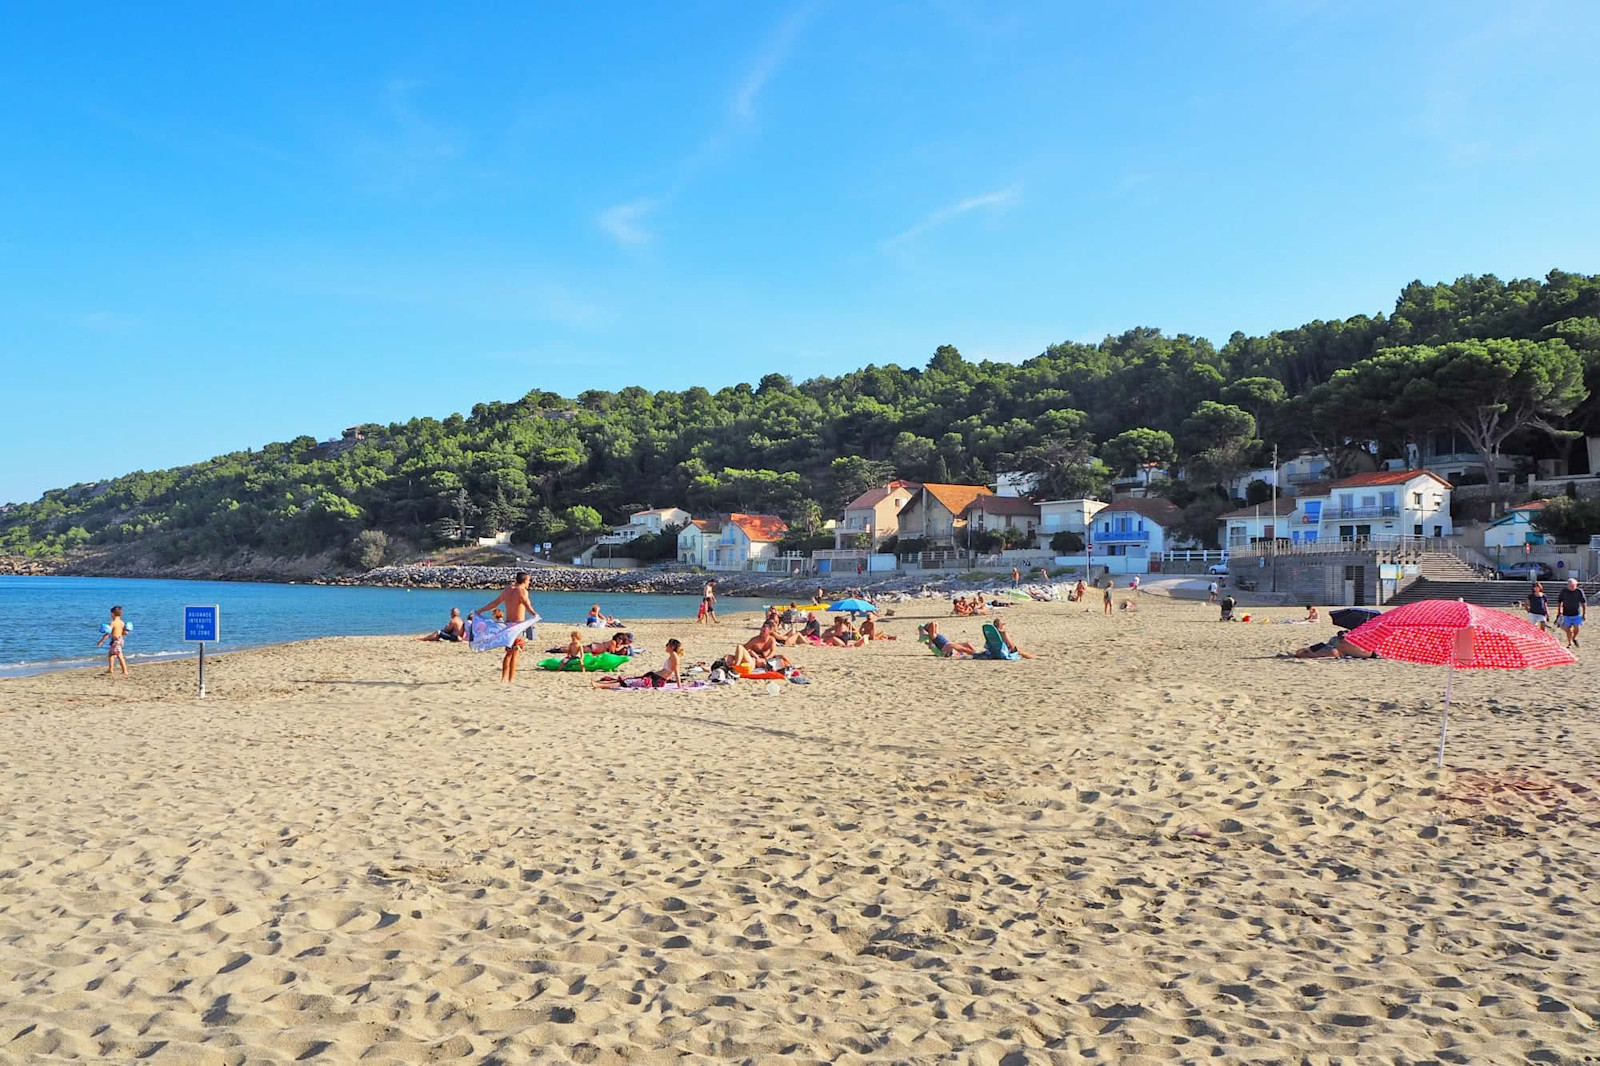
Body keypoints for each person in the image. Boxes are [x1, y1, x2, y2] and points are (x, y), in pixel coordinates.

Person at [474, 572, 536, 682]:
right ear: (524, 581)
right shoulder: (523, 591)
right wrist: (535, 615)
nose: (529, 583)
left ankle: (503, 678)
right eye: (528, 581)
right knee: (516, 653)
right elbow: (527, 606)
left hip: (508, 626)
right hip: (517, 626)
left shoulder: (507, 590)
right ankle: (511, 679)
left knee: (508, 653)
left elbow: (495, 603)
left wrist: (481, 610)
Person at [593, 638, 684, 689]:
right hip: (654, 677)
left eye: (667, 644)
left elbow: (676, 672)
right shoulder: (672, 655)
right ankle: (601, 683)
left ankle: (601, 686)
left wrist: (679, 686)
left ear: (672, 647)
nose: (666, 646)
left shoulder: (675, 657)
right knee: (628, 679)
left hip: (657, 681)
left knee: (628, 682)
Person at [96, 605, 130, 677]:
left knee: (119, 655)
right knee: (111, 654)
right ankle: (110, 669)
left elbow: (107, 633)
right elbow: (126, 633)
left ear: (112, 614)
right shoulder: (122, 622)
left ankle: (125, 671)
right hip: (120, 639)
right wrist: (119, 635)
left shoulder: (113, 623)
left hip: (115, 641)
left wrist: (101, 641)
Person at [1556, 578, 1587, 648]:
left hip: (1577, 613)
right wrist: (1559, 611)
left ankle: (1574, 637)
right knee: (1568, 629)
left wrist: (1584, 613)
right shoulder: (1564, 591)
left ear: (1576, 585)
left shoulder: (1579, 591)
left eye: (1573, 585)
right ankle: (1570, 642)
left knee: (1577, 628)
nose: (1572, 587)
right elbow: (1560, 601)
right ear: (1567, 585)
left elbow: (1583, 602)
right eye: (1570, 586)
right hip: (1566, 613)